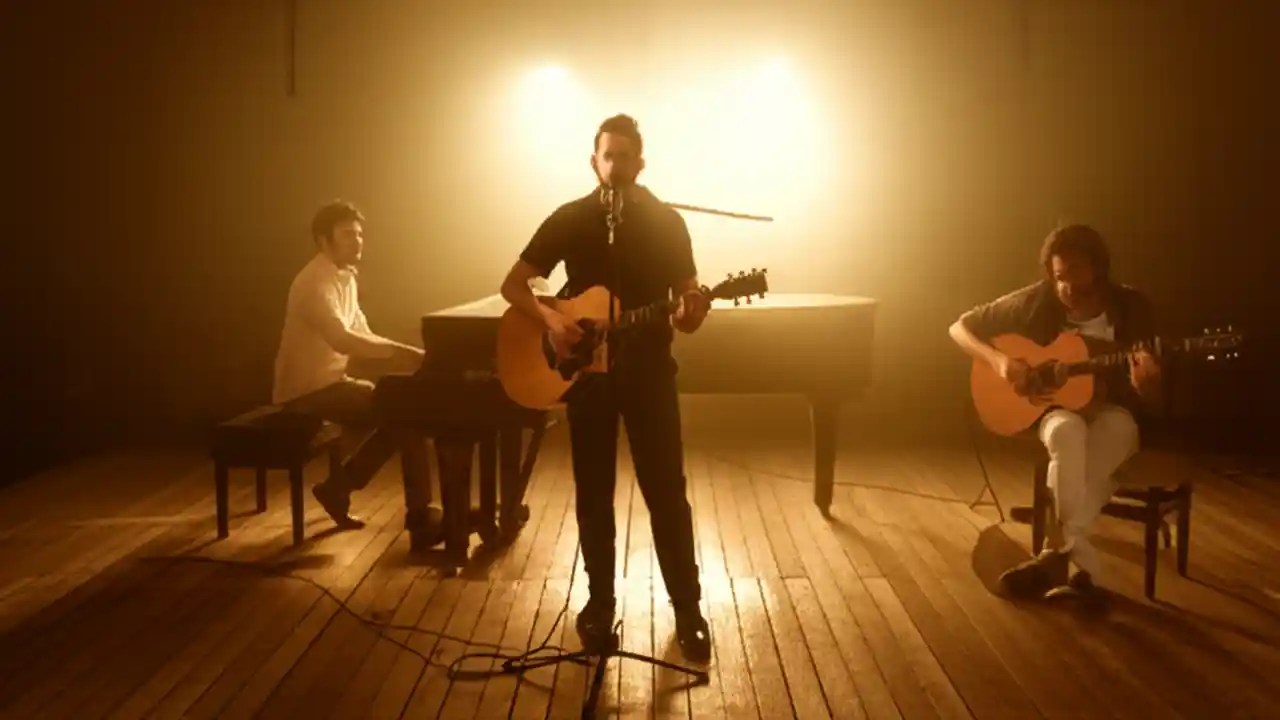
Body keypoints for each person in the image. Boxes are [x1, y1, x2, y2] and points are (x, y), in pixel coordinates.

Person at [499, 114, 713, 661]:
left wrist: (694, 309)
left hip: (648, 374)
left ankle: (687, 609)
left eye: (626, 156)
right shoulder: (571, 218)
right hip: (588, 379)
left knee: (666, 492)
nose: (616, 165)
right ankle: (598, 605)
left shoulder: (667, 223)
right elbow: (513, 284)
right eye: (607, 155)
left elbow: (686, 309)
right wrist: (552, 321)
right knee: (593, 495)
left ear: (641, 162)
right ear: (594, 161)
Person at [948, 224, 1163, 599]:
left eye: (1075, 274)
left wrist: (1148, 384)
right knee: (1067, 433)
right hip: (1055, 410)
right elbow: (959, 327)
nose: (1066, 287)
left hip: (1114, 411)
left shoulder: (1132, 308)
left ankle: (1056, 553)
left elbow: (1155, 401)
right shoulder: (1038, 300)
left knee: (1112, 435)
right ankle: (1079, 563)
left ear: (1099, 269)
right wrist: (998, 361)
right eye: (1059, 276)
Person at [273, 199, 439, 543]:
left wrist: (410, 356)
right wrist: (403, 354)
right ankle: (417, 516)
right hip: (305, 393)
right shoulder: (313, 283)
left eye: (360, 234)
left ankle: (341, 489)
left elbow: (362, 331)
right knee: (408, 413)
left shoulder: (344, 278)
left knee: (406, 414)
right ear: (323, 240)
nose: (358, 241)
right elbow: (343, 340)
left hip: (330, 384)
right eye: (348, 234)